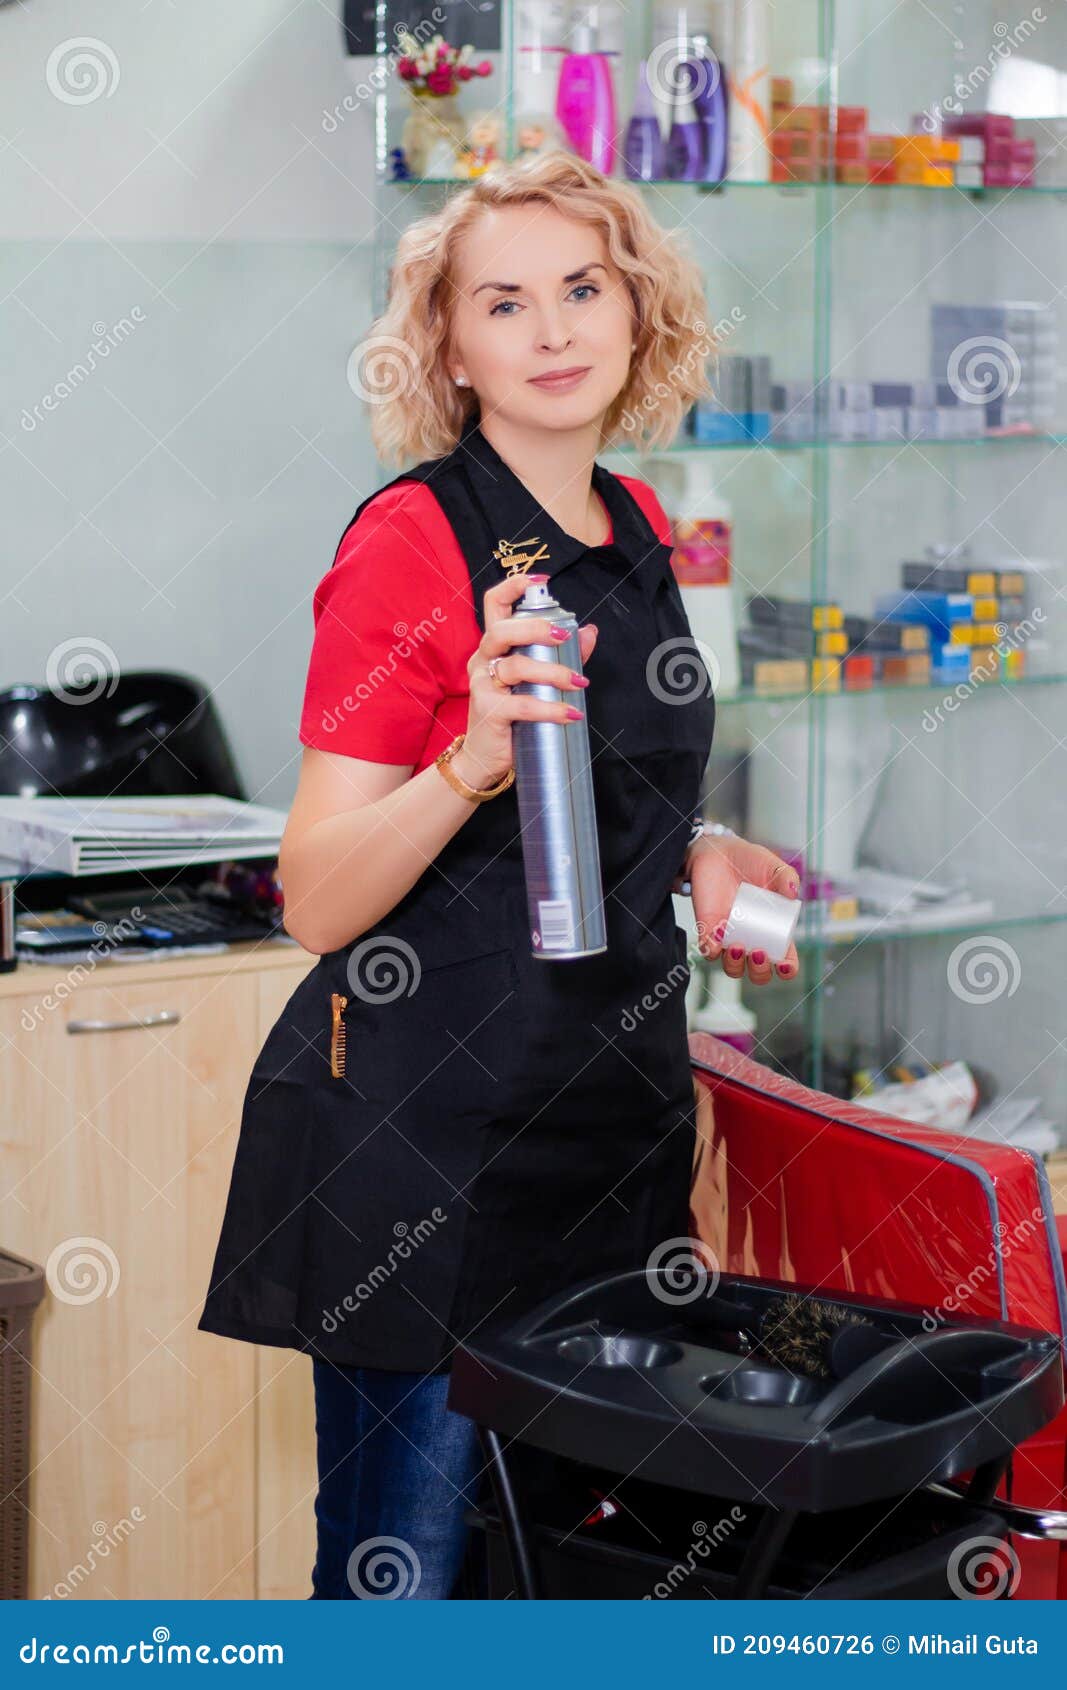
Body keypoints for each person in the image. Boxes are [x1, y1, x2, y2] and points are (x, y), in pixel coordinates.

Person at [197, 150, 801, 1599]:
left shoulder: (640, 530)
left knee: (575, 1579)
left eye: (584, 289)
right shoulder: (412, 542)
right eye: (505, 302)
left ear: (640, 311)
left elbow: (619, 790)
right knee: (410, 1588)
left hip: (615, 1142)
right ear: (450, 346)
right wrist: (468, 758)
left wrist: (706, 848)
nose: (553, 330)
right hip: (429, 1160)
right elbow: (318, 898)